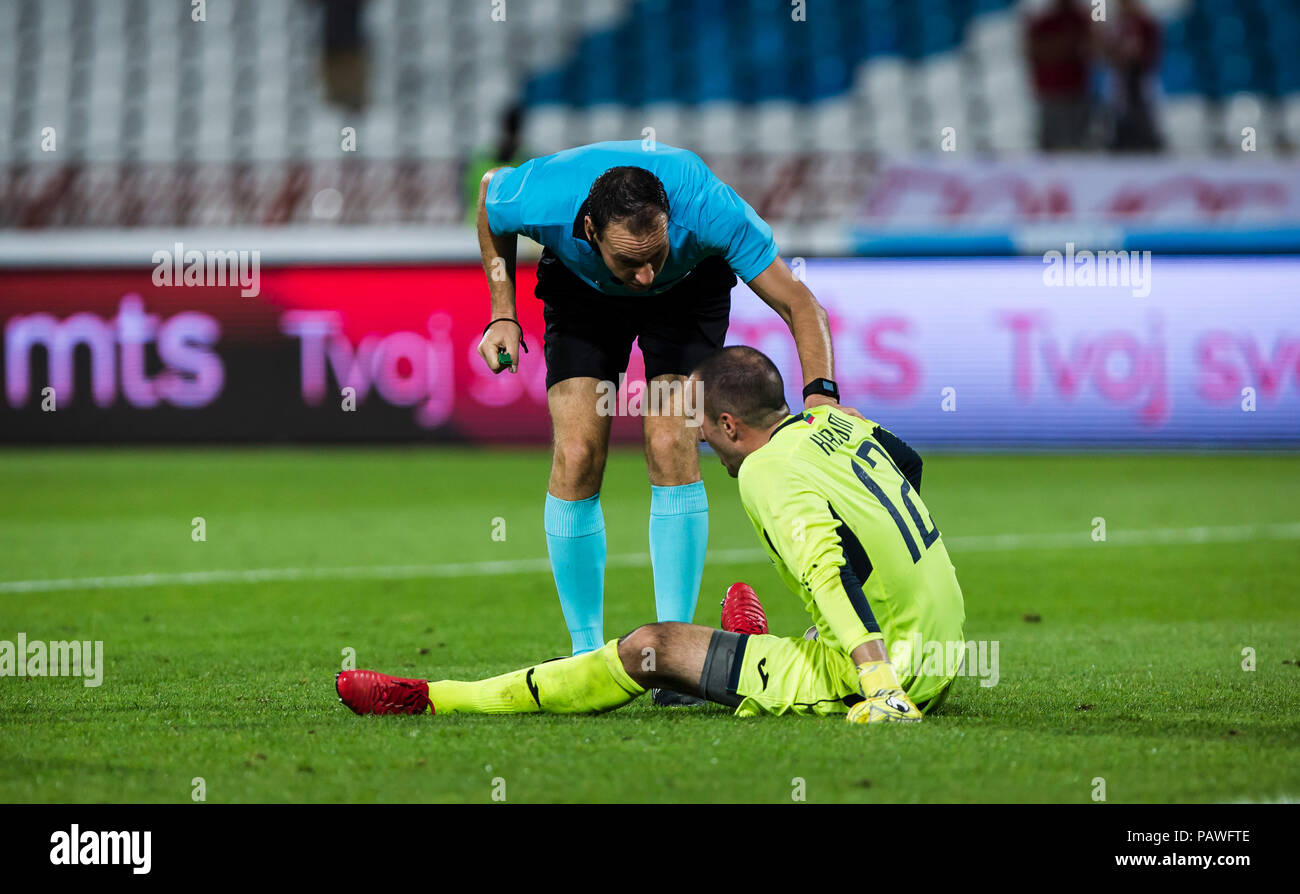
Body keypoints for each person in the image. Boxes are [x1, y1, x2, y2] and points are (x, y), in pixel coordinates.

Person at [337, 346, 967, 724]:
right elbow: (907, 466)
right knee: (715, 645)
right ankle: (745, 650)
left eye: (700, 426)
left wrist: (880, 686)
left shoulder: (766, 471)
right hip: (942, 648)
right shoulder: (837, 427)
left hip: (894, 674)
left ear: (728, 423)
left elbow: (826, 571)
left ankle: (433, 698)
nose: (694, 437)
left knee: (653, 648)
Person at [471, 141, 855, 707]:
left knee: (669, 440)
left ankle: (676, 663)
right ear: (588, 230)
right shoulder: (544, 196)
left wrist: (822, 398)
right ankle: (584, 658)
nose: (646, 275)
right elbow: (488, 200)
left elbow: (801, 304)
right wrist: (502, 310)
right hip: (583, 295)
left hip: (690, 293)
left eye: (655, 252)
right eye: (631, 259)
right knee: (576, 454)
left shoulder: (709, 211)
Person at [1024, 0, 1094, 151]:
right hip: (1051, 92)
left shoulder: (1080, 18)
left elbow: (1092, 46)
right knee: (1051, 147)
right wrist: (1066, 45)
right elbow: (1032, 51)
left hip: (1075, 92)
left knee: (1077, 145)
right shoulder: (1042, 20)